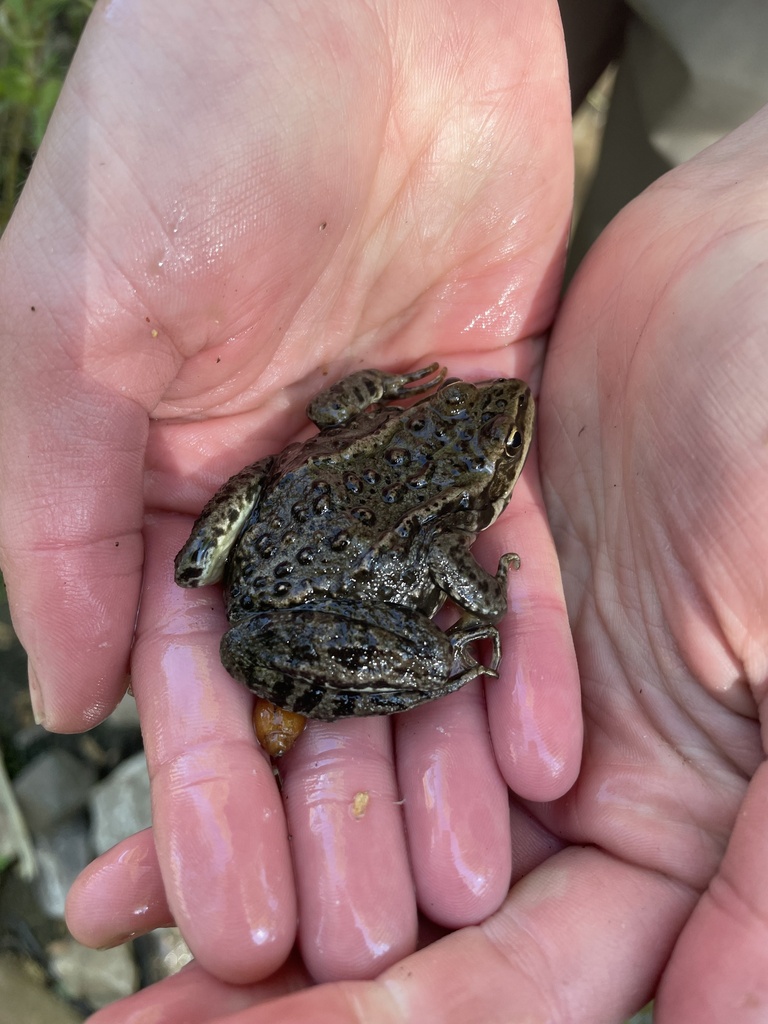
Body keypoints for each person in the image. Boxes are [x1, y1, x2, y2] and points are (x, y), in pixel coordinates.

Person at [0, 2, 765, 1022]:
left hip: (273, 523)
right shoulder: (454, 517)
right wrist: (477, 614)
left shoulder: (394, 406)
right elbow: (439, 571)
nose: (510, 447)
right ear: (479, 491)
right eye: (496, 459)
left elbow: (326, 413)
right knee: (425, 644)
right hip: (306, 590)